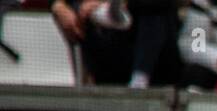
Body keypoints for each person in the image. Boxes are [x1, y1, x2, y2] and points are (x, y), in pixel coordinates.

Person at [50, 0, 180, 87]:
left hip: (155, 62)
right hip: (106, 58)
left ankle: (139, 80)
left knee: (157, 10)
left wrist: (117, 3)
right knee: (76, 8)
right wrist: (58, 6)